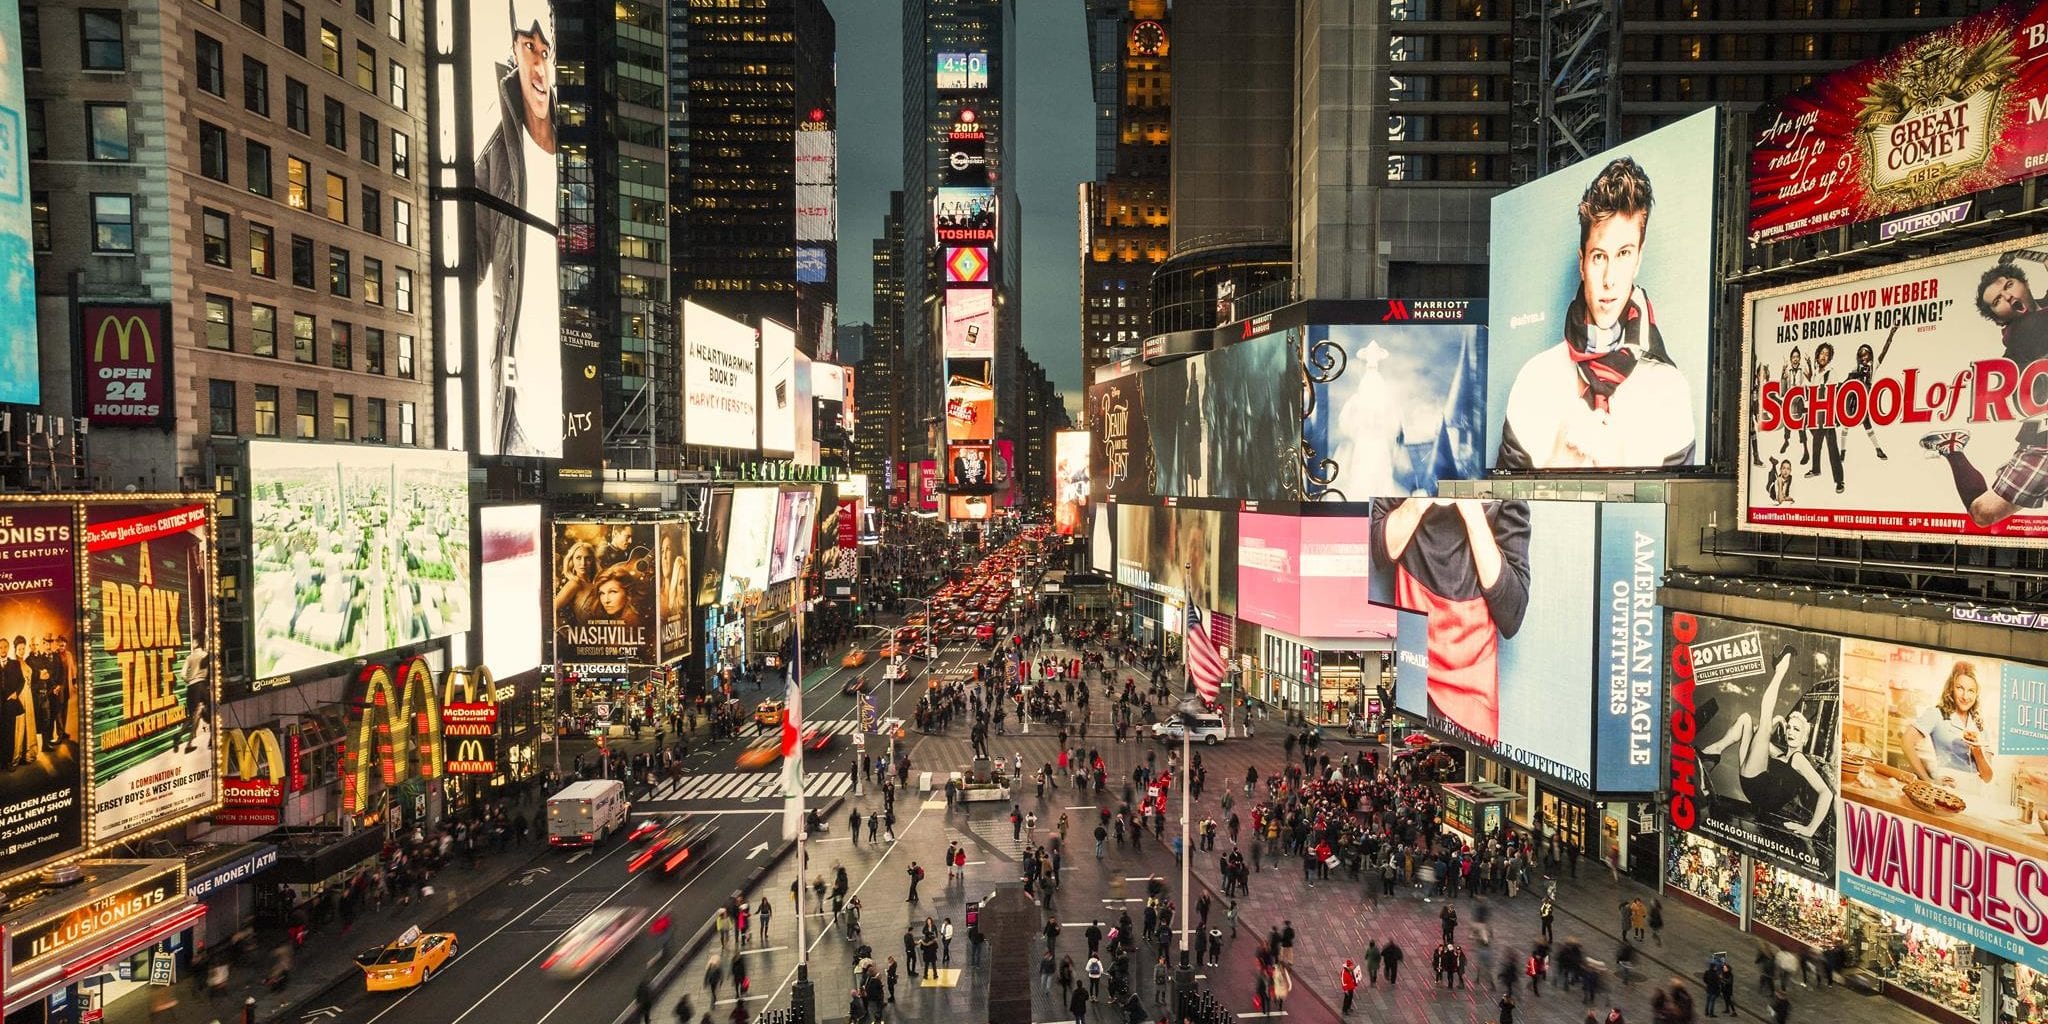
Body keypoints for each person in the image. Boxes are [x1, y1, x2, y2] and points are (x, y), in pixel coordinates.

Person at [1495, 155, 1695, 470]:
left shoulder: (1669, 391)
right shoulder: (1535, 380)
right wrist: (1554, 466)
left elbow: (1682, 514)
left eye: (1624, 254)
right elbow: (1502, 513)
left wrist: (1622, 468)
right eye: (1599, 256)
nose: (1609, 280)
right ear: (1582, 262)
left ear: (1639, 259)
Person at [473, 0, 562, 457]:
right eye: (530, 47)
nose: (540, 62)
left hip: (569, 416)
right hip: (520, 414)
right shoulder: (495, 141)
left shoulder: (570, 148)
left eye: (545, 50)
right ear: (513, 51)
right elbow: (470, 256)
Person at [1370, 498, 1532, 742]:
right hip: (1418, 674)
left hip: (1471, 694)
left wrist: (1472, 511)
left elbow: (1512, 614)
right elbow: (1380, 549)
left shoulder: (1507, 478)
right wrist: (1421, 495)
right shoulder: (1409, 468)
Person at [1924, 251, 2048, 527]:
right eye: (1997, 302)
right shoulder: (2021, 332)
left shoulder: (2042, 309)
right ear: (1998, 317)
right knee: (1983, 513)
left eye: (2008, 286)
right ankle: (1952, 448)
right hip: (2043, 442)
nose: (2008, 298)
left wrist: (2024, 254)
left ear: (2024, 283)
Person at [1697, 644, 1834, 838]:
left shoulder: (1798, 759)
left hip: (1758, 788)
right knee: (1745, 719)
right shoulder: (1781, 754)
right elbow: (1754, 736)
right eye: (1789, 728)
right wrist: (1777, 722)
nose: (1790, 733)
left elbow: (1826, 793)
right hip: (1754, 785)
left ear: (1805, 736)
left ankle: (1781, 669)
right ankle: (1714, 752)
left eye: (1797, 729)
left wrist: (1810, 829)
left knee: (1764, 717)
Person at [1904, 661, 1996, 787]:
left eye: (1971, 691)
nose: (1965, 696)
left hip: (1975, 791)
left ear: (1976, 693)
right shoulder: (1937, 714)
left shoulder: (1981, 725)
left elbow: (1987, 777)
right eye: (1960, 688)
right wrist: (1926, 780)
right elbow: (1906, 741)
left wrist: (1977, 749)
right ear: (1951, 688)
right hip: (1946, 786)